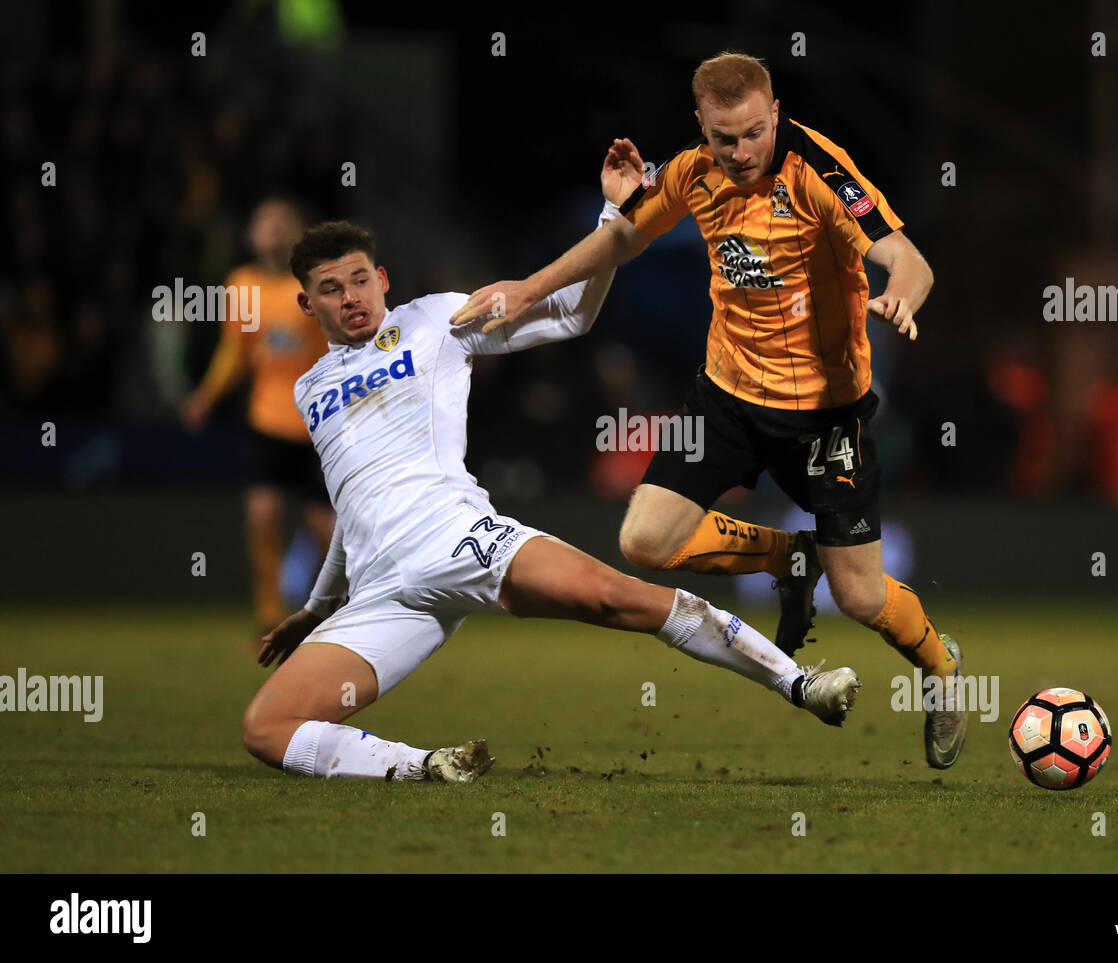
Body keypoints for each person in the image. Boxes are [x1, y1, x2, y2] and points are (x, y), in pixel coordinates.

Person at [241, 145, 861, 783]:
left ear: (384, 280)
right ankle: (427, 767)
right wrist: (318, 608)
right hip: (383, 591)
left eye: (360, 279)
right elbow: (352, 500)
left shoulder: (434, 321)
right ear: (305, 304)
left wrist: (611, 214)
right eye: (330, 288)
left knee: (619, 600)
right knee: (265, 727)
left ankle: (798, 681)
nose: (350, 297)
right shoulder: (310, 389)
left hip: (457, 537)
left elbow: (572, 315)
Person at [450, 51, 967, 769]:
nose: (741, 151)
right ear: (702, 125)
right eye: (725, 137)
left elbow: (907, 256)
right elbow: (624, 236)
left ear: (775, 112)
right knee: (643, 543)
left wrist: (902, 293)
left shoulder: (820, 169)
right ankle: (789, 559)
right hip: (726, 397)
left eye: (753, 132)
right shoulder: (693, 171)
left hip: (825, 416)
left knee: (860, 597)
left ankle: (941, 666)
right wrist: (528, 287)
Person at [181, 198, 335, 638]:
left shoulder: (312, 284)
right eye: (263, 221)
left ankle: (334, 610)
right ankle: (269, 616)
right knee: (262, 515)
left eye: (280, 222)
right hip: (265, 420)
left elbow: (333, 348)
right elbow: (236, 352)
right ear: (252, 233)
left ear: (296, 234)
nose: (271, 229)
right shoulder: (241, 284)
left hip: (315, 423)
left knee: (323, 526)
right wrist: (206, 396)